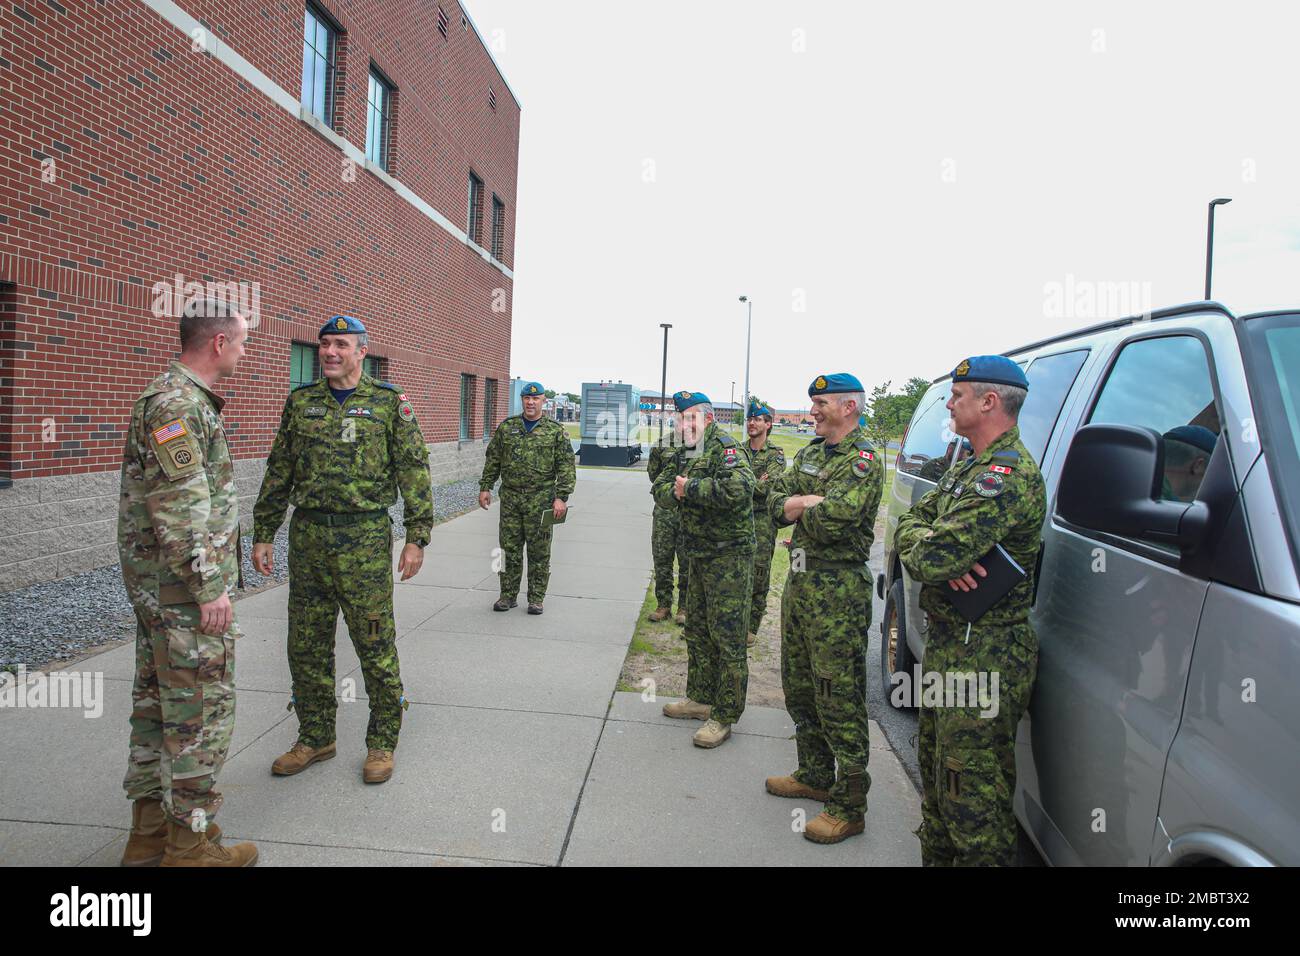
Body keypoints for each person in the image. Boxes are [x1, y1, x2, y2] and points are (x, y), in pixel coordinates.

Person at [252, 315, 433, 785]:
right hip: (309, 537)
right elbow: (279, 470)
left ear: (361, 351)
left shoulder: (389, 404)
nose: (329, 352)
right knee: (306, 645)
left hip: (365, 539)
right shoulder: (301, 404)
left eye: (340, 345)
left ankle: (381, 741)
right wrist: (264, 530)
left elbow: (414, 470)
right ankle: (315, 736)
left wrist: (417, 536)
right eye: (325, 344)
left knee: (374, 642)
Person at [117, 297, 258, 867]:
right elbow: (180, 509)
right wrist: (209, 587)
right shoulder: (177, 405)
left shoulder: (174, 398)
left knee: (157, 706)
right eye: (243, 341)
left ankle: (149, 835)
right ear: (218, 343)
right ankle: (190, 845)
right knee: (200, 712)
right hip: (183, 593)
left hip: (161, 589)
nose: (246, 352)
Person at [894, 355, 1046, 866]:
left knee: (972, 804)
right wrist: (927, 541)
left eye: (958, 395)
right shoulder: (968, 468)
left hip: (983, 656)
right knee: (939, 783)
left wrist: (931, 547)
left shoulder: (1006, 476)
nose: (950, 404)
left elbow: (935, 557)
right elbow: (910, 530)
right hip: (950, 646)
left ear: (988, 402)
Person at [764, 374, 883, 844]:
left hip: (838, 591)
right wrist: (803, 501)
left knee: (839, 695)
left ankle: (850, 805)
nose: (812, 410)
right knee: (799, 685)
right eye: (811, 403)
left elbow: (839, 518)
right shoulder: (812, 452)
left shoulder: (865, 458)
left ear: (849, 406)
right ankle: (814, 773)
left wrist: (804, 506)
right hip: (800, 581)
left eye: (820, 403)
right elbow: (771, 502)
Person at [652, 391, 755, 748]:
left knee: (726, 637)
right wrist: (678, 492)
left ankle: (725, 714)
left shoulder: (725, 447)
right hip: (698, 554)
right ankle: (700, 697)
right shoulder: (685, 450)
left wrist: (691, 488)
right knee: (697, 629)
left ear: (708, 419)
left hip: (729, 558)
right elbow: (661, 488)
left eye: (690, 419)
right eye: (680, 419)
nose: (684, 425)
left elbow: (741, 488)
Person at [478, 381, 576, 614]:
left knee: (540, 551)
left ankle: (536, 598)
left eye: (535, 398)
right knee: (506, 550)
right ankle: (507, 595)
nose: (530, 402)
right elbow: (493, 459)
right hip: (511, 500)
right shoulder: (507, 428)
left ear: (544, 401)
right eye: (526, 398)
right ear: (522, 400)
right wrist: (485, 487)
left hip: (542, 501)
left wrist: (561, 497)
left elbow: (566, 466)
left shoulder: (555, 431)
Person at [739, 397, 786, 643]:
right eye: (749, 419)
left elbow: (768, 488)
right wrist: (755, 482)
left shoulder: (776, 455)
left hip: (763, 523)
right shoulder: (738, 450)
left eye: (757, 419)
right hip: (738, 521)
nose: (752, 423)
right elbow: (731, 484)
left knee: (759, 573)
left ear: (768, 424)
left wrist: (745, 484)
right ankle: (737, 621)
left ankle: (751, 627)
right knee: (737, 574)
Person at [647, 416, 689, 624]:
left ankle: (684, 607)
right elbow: (654, 475)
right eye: (680, 418)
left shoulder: (700, 446)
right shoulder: (662, 445)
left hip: (689, 513)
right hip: (664, 512)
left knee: (687, 562)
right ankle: (663, 605)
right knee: (662, 559)